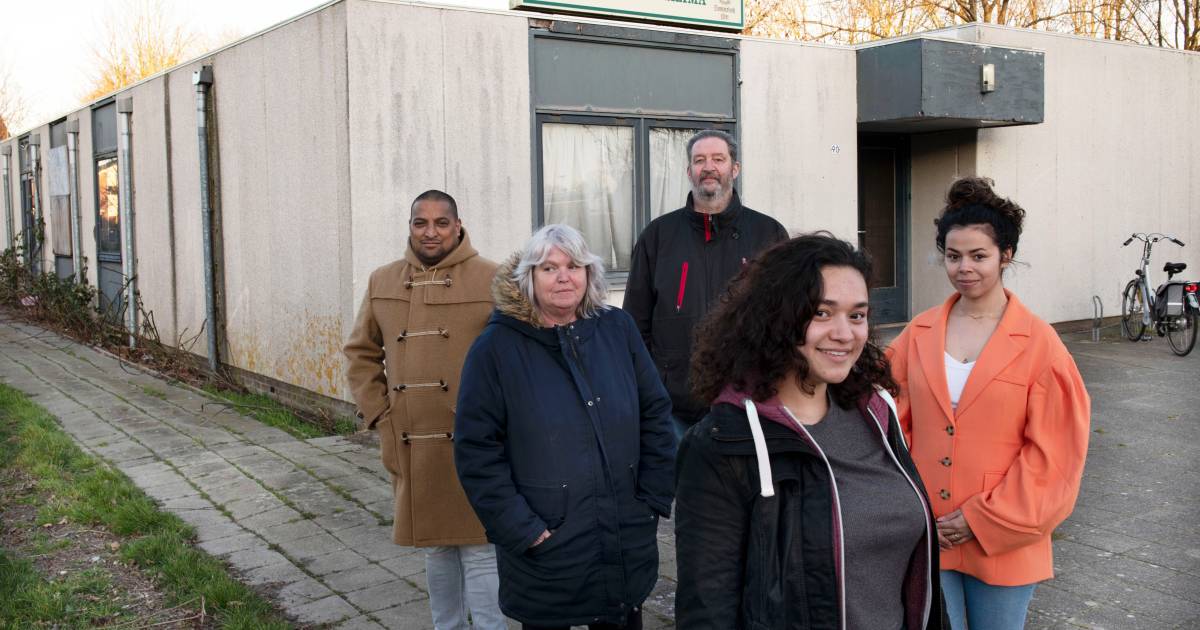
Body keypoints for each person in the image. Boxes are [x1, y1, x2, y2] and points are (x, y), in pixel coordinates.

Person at [675, 233, 946, 630]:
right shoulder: (724, 444)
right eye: (821, 313)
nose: (844, 333)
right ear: (777, 319)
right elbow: (707, 609)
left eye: (857, 315)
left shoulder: (876, 414)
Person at [887, 177, 1091, 630]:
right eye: (953, 256)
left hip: (1005, 537)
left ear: (1007, 255)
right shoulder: (917, 334)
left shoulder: (1042, 345)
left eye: (979, 256)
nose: (965, 268)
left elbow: (1054, 457)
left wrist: (982, 519)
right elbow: (886, 421)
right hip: (928, 531)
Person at [454, 224, 675, 630]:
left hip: (624, 533)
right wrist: (522, 529)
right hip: (546, 543)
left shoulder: (616, 329)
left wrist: (653, 498)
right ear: (528, 279)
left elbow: (655, 413)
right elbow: (476, 449)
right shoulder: (495, 348)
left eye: (574, 266)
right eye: (549, 267)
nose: (563, 277)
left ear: (589, 274)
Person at [343, 189, 504, 630]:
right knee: (435, 546)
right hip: (413, 439)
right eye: (420, 222)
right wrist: (381, 414)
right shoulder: (383, 281)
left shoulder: (493, 279)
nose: (430, 232)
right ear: (410, 226)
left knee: (480, 546)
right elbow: (360, 353)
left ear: (457, 225)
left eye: (440, 222)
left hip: (478, 440)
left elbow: (514, 356)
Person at [623, 129, 788, 440]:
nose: (708, 167)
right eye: (699, 160)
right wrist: (653, 383)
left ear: (734, 169)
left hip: (748, 399)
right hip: (674, 407)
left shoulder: (768, 234)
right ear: (689, 172)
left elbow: (787, 317)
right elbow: (635, 321)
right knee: (678, 487)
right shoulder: (658, 236)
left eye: (718, 159)